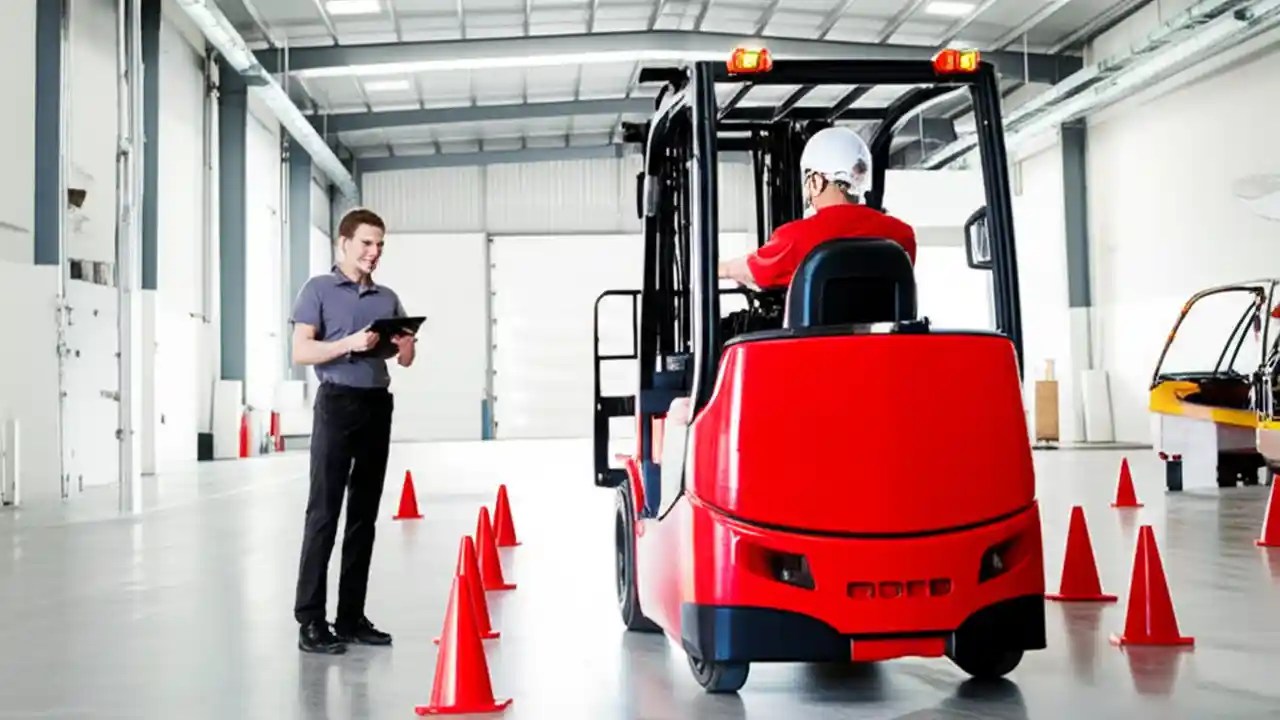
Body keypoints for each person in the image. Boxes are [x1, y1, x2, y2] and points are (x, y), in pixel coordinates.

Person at [289, 207, 417, 655]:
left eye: (380, 244)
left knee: (364, 515)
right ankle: (310, 620)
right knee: (324, 513)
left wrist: (406, 347)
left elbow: (404, 361)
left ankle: (350, 617)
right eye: (366, 243)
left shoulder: (387, 298)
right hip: (336, 404)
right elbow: (301, 351)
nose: (374, 251)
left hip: (376, 405)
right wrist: (350, 343)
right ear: (343, 243)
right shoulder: (318, 289)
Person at [718, 126, 916, 290]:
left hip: (818, 328)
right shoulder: (902, 235)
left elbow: (754, 272)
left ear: (816, 181)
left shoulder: (796, 237)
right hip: (884, 328)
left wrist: (721, 269)